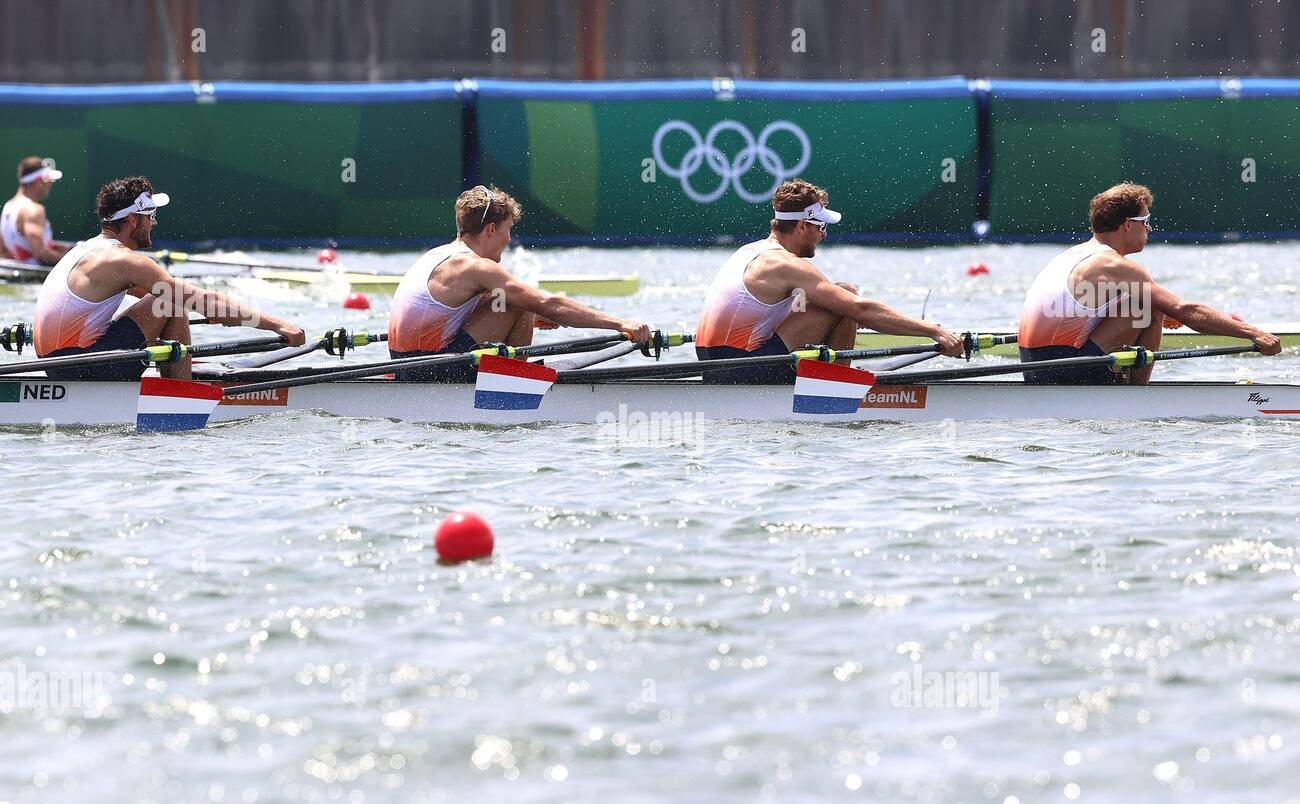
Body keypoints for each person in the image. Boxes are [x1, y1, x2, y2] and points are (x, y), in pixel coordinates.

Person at [32, 175, 305, 381]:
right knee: (170, 302)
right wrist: (278, 326)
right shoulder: (125, 260)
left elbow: (170, 298)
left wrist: (210, 311)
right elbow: (201, 300)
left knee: (171, 300)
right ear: (132, 220)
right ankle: (181, 395)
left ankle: (177, 381)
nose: (155, 222)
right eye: (150, 215)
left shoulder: (86, 249)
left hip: (53, 366)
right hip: (80, 370)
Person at [693, 178, 963, 384]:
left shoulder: (749, 251)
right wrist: (931, 330)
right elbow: (861, 310)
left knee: (836, 295)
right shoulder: (786, 264)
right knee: (845, 300)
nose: (824, 234)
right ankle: (835, 387)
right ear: (801, 226)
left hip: (711, 365)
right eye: (821, 226)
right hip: (739, 372)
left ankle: (826, 373)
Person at [1017, 182, 1280, 385]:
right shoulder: (1114, 264)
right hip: (1063, 371)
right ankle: (1135, 396)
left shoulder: (1073, 254)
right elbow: (1187, 312)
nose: (1150, 229)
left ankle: (1123, 386)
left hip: (1032, 368)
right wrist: (1253, 333)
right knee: (1150, 306)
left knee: (1148, 304)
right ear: (1128, 225)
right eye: (1146, 221)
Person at [388, 185, 650, 382]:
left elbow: (464, 315)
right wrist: (620, 324)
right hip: (433, 372)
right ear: (491, 229)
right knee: (520, 304)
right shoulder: (476, 266)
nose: (509, 239)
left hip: (400, 366)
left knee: (518, 306)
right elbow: (549, 304)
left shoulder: (435, 257)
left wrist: (531, 319)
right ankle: (514, 386)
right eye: (508, 229)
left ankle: (508, 375)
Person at [1, 156, 73, 264]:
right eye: (49, 179)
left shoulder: (8, 206)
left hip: (21, 276)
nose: (51, 183)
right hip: (36, 278)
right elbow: (41, 253)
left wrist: (52, 246)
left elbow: (3, 250)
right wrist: (74, 260)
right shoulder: (33, 210)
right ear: (40, 180)